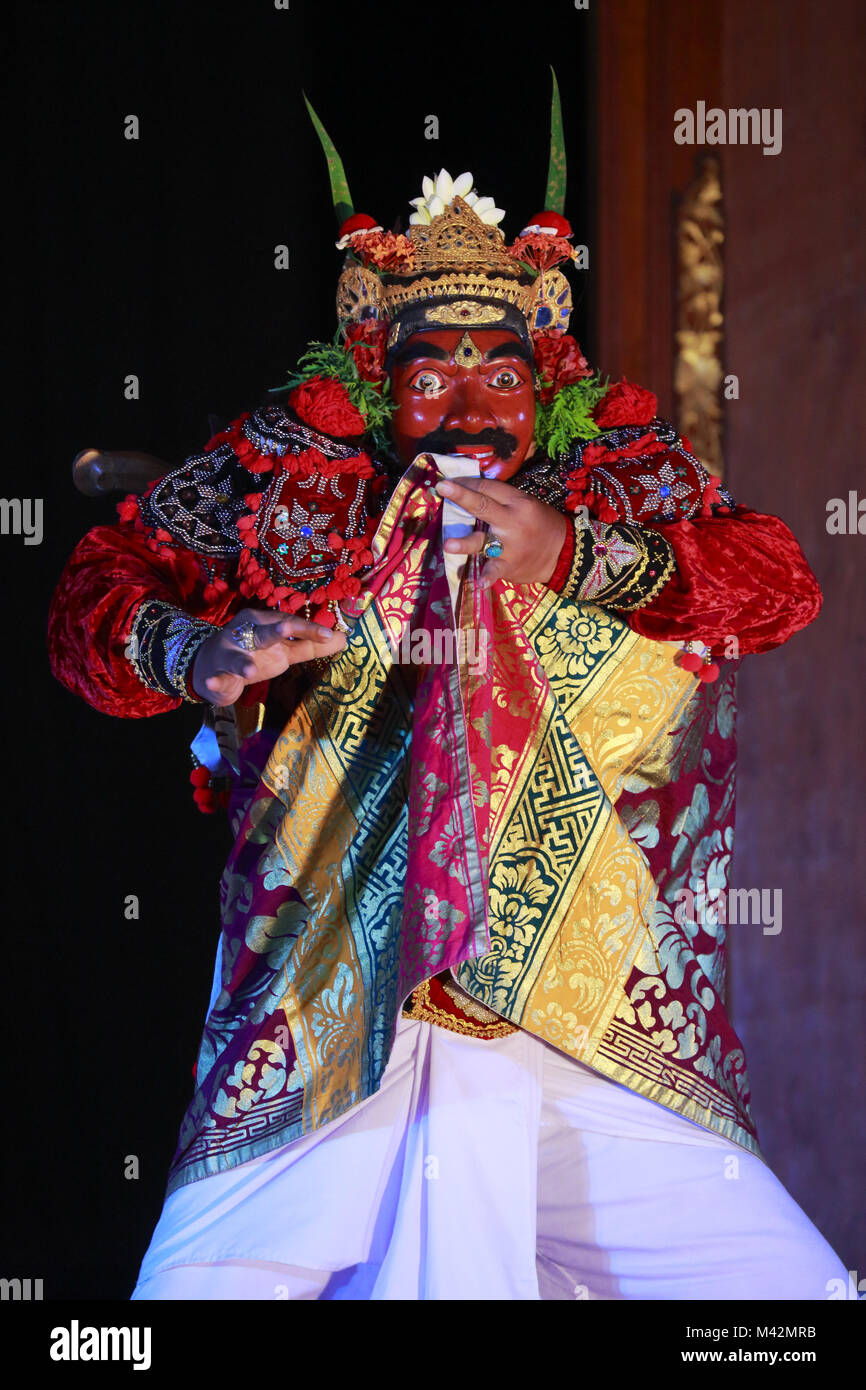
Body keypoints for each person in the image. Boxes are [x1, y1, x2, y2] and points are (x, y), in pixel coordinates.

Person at [47, 88, 851, 1300]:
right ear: (378, 372)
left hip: (584, 998)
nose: (470, 414)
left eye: (500, 382)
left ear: (547, 373)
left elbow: (777, 586)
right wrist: (194, 652)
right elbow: (93, 598)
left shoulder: (607, 476)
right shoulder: (293, 474)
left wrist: (575, 554)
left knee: (782, 1299)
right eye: (433, 385)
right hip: (326, 1001)